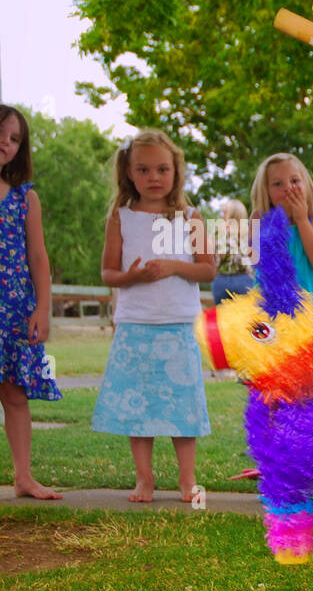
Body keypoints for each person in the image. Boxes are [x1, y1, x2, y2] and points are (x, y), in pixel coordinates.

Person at [92, 130, 217, 502]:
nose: (154, 177)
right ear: (129, 173)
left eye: (162, 169)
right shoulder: (121, 217)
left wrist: (174, 266)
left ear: (175, 172)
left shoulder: (191, 217)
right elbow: (108, 274)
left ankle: (186, 479)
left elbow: (209, 269)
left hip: (179, 325)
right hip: (135, 325)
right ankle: (144, 480)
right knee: (137, 405)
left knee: (184, 409)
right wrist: (133, 277)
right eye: (143, 169)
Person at [0, 104, 62, 500]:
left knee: (14, 395)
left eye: (14, 139)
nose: (4, 143)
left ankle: (23, 477)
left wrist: (43, 308)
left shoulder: (25, 199)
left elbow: (38, 257)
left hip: (14, 310)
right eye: (0, 133)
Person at [249, 153, 313, 309]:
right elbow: (256, 261)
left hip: (306, 316)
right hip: (266, 313)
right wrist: (277, 222)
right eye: (278, 184)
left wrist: (301, 220)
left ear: (306, 184)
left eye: (294, 181)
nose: (288, 188)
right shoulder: (258, 218)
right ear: (266, 191)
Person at [210, 198, 256, 305]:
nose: (222, 216)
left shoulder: (218, 233)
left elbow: (212, 257)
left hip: (221, 280)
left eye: (224, 213)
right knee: (244, 318)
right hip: (244, 279)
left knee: (222, 317)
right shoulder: (249, 233)